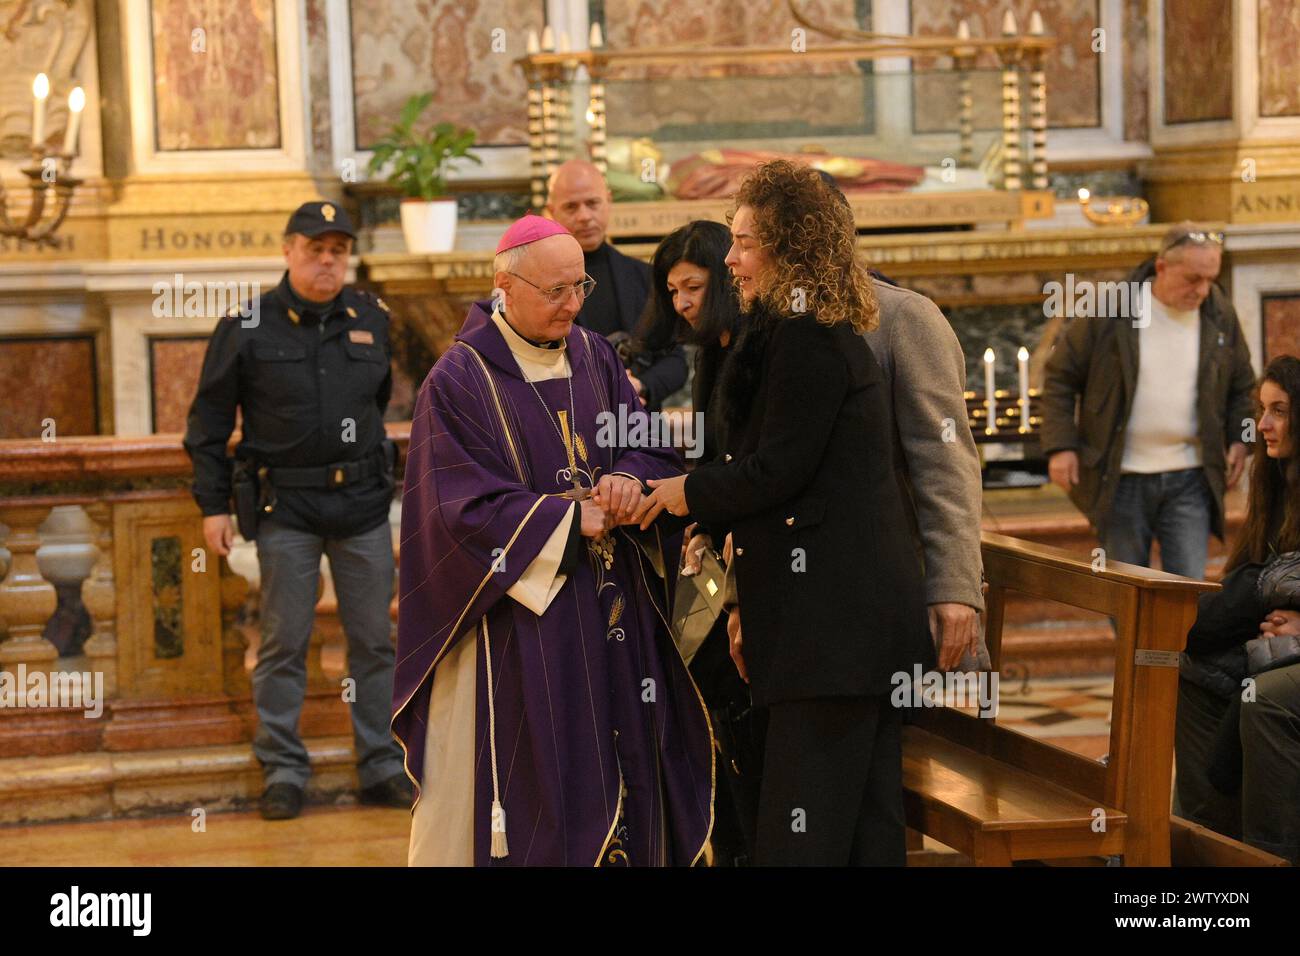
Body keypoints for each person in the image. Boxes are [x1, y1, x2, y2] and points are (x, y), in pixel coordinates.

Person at [633, 160, 934, 866]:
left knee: (803, 837)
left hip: (836, 630)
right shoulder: (796, 326)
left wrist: (686, 496)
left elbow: (779, 470)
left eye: (744, 242)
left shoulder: (807, 334)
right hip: (833, 626)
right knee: (861, 832)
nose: (731, 256)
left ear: (792, 245)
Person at [394, 214, 713, 867]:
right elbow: (452, 512)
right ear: (504, 287)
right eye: (556, 291)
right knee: (545, 780)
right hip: (524, 625)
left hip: (615, 608)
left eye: (581, 287)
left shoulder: (594, 354)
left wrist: (627, 477)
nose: (572, 305)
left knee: (629, 754)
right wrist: (565, 521)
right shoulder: (458, 382)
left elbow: (644, 439)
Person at [183, 200, 410, 820]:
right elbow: (207, 424)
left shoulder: (371, 318)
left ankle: (381, 764)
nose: (328, 260)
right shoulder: (247, 325)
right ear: (288, 251)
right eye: (316, 248)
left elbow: (379, 402)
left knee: (374, 640)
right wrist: (213, 505)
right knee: (283, 641)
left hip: (362, 504)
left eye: (339, 250)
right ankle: (283, 767)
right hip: (287, 506)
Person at [1040, 222, 1256, 580]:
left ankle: (1177, 642)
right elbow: (1061, 376)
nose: (1202, 290)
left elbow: (1242, 384)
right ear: (1161, 267)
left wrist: (1240, 439)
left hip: (1191, 475)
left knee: (1186, 588)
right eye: (1192, 279)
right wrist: (1060, 446)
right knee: (1126, 589)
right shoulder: (1110, 308)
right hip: (1120, 475)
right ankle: (1133, 642)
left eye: (1210, 279)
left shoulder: (1219, 312)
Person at [638, 219, 757, 865]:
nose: (680, 302)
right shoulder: (715, 346)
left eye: (693, 286)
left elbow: (756, 466)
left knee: (737, 721)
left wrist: (695, 499)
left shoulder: (756, 345)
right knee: (714, 717)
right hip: (717, 551)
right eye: (672, 290)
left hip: (755, 566)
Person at [1175, 355, 1300, 863]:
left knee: (1263, 697)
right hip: (1278, 642)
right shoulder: (1273, 478)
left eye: (1280, 411)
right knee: (1194, 668)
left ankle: (1268, 859)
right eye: (1261, 409)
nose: (1263, 425)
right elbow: (1250, 572)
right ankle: (1206, 847)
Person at [546, 159, 687, 410]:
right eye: (571, 207)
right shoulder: (541, 284)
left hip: (639, 425)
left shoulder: (645, 276)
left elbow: (676, 361)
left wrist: (639, 387)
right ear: (551, 210)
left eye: (592, 203)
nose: (584, 216)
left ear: (608, 201)